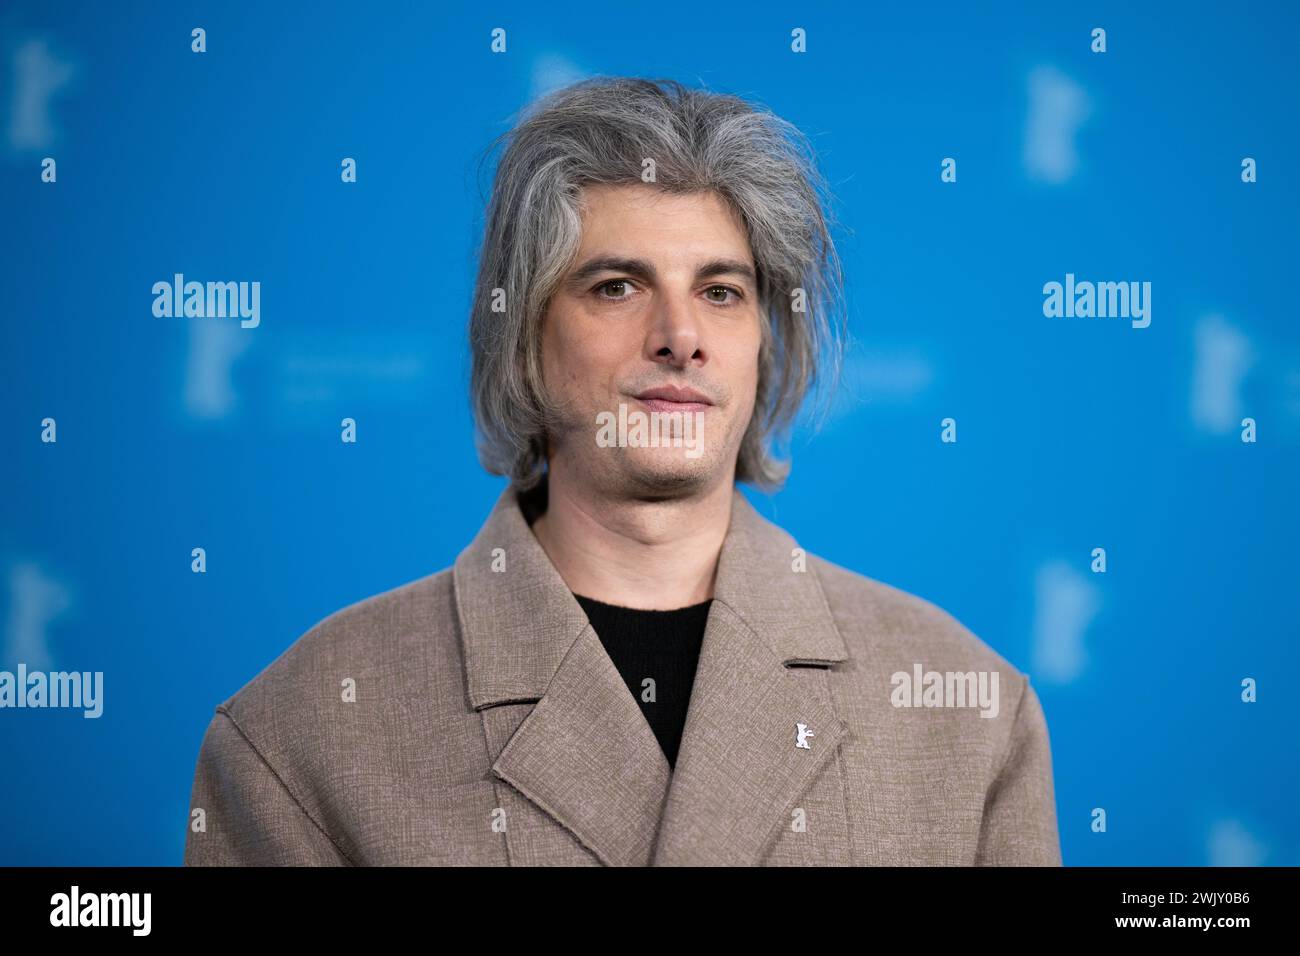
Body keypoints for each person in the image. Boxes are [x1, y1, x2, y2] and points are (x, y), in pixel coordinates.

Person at [183, 77, 1062, 866]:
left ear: (765, 341)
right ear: (525, 335)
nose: (681, 334)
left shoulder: (968, 712)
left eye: (721, 291)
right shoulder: (302, 732)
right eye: (616, 285)